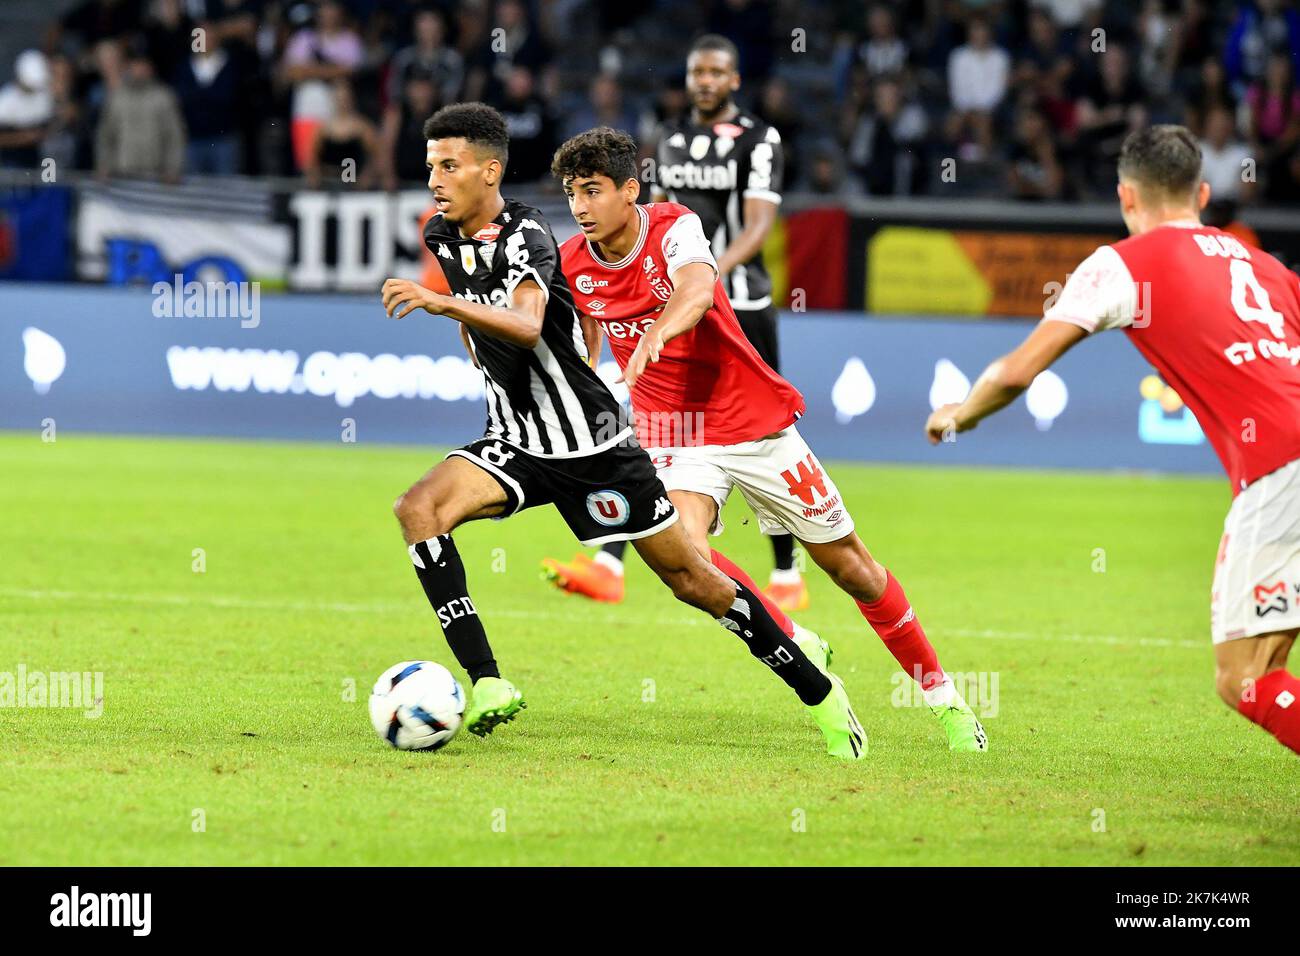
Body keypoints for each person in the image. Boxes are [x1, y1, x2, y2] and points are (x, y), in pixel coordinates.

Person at [379, 103, 864, 758]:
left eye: (449, 164)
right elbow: (485, 321)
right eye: (431, 163)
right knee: (418, 509)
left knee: (693, 580)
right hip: (518, 440)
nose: (434, 176)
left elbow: (524, 324)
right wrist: (471, 337)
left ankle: (819, 690)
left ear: (489, 171)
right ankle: (489, 682)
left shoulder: (528, 234)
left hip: (593, 446)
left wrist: (441, 303)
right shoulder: (442, 234)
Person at [546, 126, 988, 752]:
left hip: (751, 419)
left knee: (854, 571)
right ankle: (793, 638)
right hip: (673, 430)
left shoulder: (674, 227)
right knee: (685, 562)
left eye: (592, 191)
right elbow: (585, 324)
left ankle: (944, 700)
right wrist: (588, 377)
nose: (581, 207)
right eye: (571, 194)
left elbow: (699, 291)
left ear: (630, 190)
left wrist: (657, 334)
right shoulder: (573, 260)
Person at [925, 125, 1300, 757]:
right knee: (1271, 651)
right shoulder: (1267, 266)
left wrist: (961, 414)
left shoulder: (1121, 264)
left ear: (1126, 197)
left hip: (1280, 468)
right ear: (1202, 193)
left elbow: (1019, 370)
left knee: (1246, 678)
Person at [544, 34, 807, 610]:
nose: (705, 81)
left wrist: (706, 272)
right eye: (697, 72)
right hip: (664, 299)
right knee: (647, 430)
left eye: (717, 72)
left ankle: (787, 572)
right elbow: (645, 217)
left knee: (764, 428)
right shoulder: (667, 137)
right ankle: (611, 562)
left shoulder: (761, 139)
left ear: (735, 79)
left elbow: (758, 226)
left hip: (739, 303)